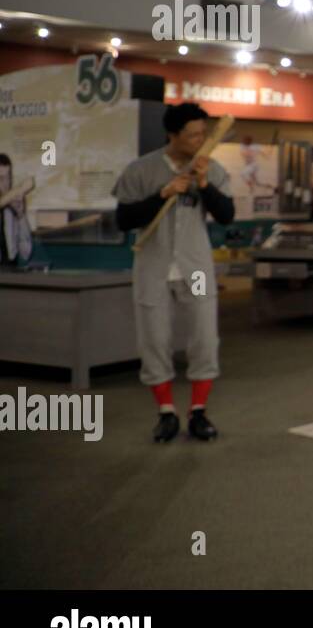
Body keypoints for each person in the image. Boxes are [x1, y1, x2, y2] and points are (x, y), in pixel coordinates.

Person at [112, 103, 234, 441]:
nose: (199, 140)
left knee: (204, 339)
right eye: (192, 135)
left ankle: (198, 412)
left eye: (202, 133)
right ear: (173, 135)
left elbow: (227, 215)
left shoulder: (211, 168)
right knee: (154, 340)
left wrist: (205, 184)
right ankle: (165, 412)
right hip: (153, 267)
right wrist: (163, 194)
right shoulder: (141, 169)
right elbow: (124, 220)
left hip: (195, 269)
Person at [0, 153, 34, 267]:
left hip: (10, 272)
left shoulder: (14, 206)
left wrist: (20, 216)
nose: (5, 184)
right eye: (1, 178)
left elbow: (26, 252)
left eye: (8, 178)